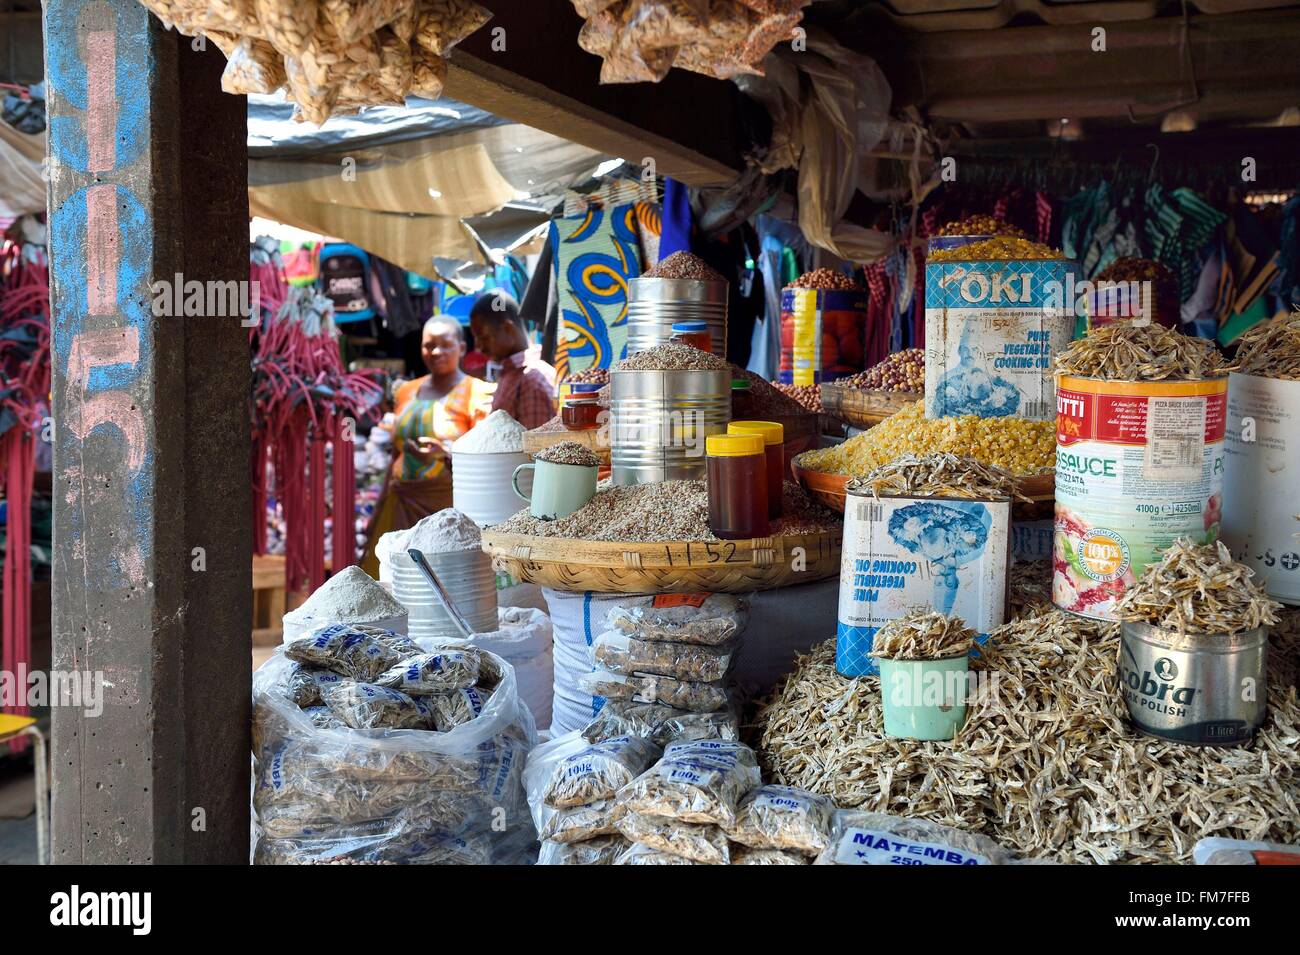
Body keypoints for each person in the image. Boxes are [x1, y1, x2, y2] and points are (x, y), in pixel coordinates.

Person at [360, 317, 493, 575]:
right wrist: (379, 504)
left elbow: (484, 458)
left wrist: (445, 452)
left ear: (462, 348)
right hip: (400, 500)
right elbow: (396, 453)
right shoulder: (406, 391)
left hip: (446, 505)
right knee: (395, 576)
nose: (436, 352)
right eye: (429, 346)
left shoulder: (477, 393)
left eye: (445, 345)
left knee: (442, 577)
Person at [468, 291, 557, 430]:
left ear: (508, 329)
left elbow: (537, 448)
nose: (479, 347)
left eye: (483, 337)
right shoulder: (513, 374)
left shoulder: (531, 380)